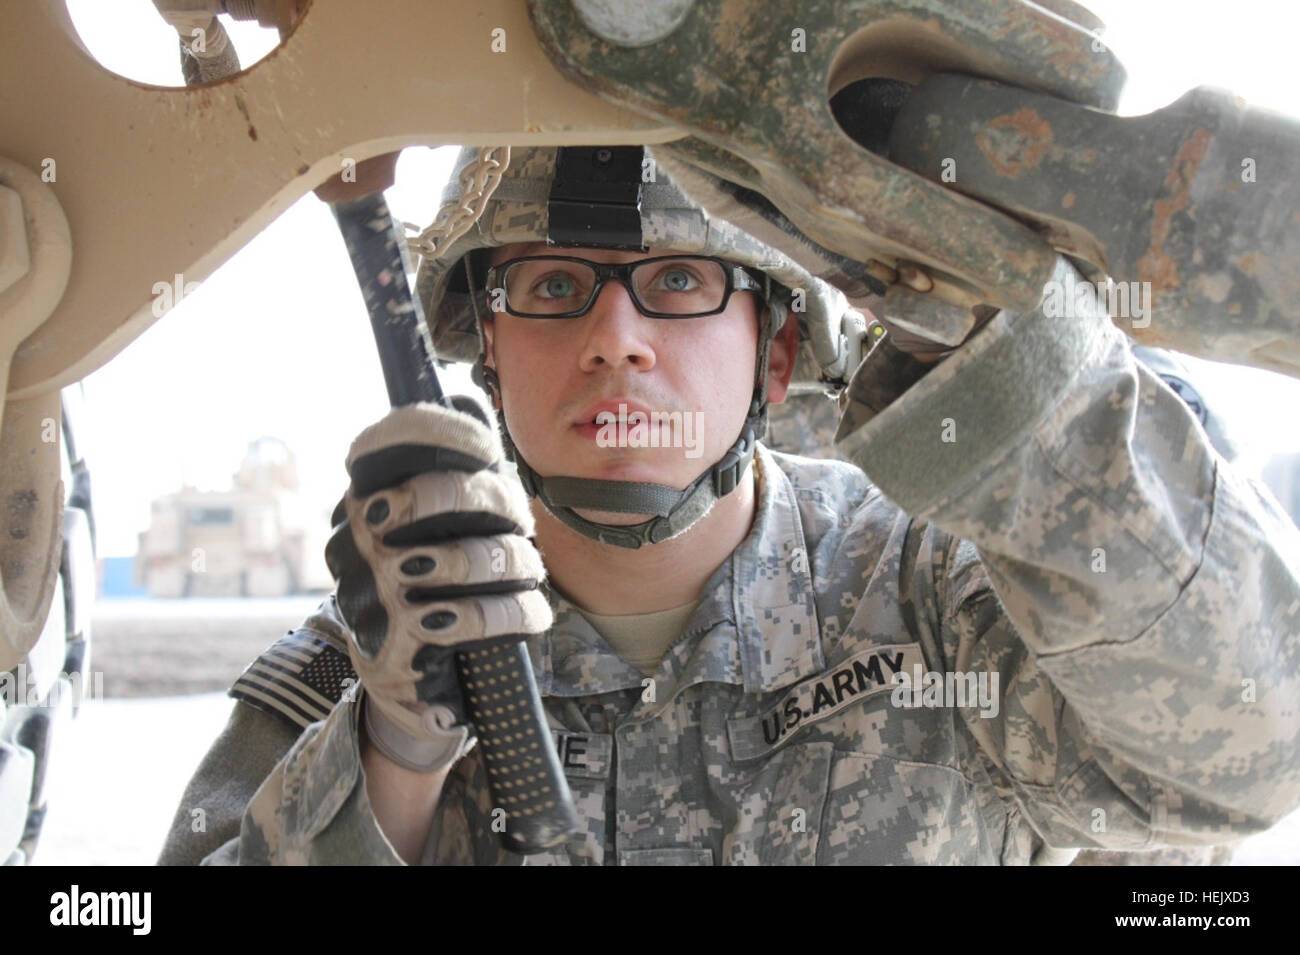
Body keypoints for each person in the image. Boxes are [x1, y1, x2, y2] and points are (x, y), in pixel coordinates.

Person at [159, 144, 1300, 865]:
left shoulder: (948, 601)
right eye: (553, 288)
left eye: (678, 284)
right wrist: (392, 754)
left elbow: (1246, 761)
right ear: (487, 354)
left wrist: (1022, 377)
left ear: (777, 349)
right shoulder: (362, 670)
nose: (615, 344)